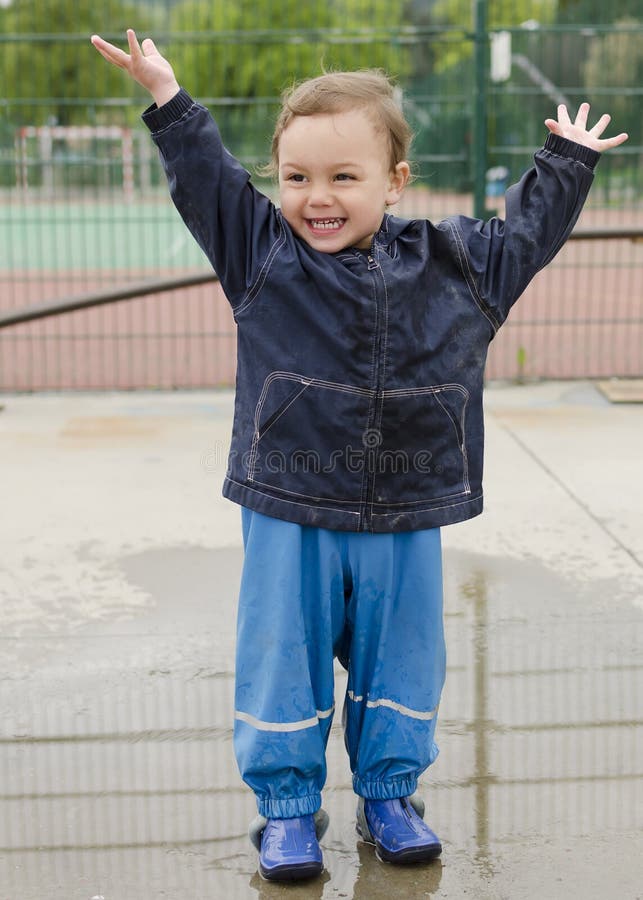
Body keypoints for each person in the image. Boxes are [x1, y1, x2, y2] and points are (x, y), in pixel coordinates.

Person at [91, 29, 628, 883]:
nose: (318, 198)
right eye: (297, 178)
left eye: (344, 177)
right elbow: (210, 186)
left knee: (403, 656)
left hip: (406, 510)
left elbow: (523, 235)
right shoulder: (262, 255)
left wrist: (565, 161)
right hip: (289, 507)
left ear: (394, 181)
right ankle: (288, 812)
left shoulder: (456, 265)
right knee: (283, 655)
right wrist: (169, 100)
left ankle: (388, 795)